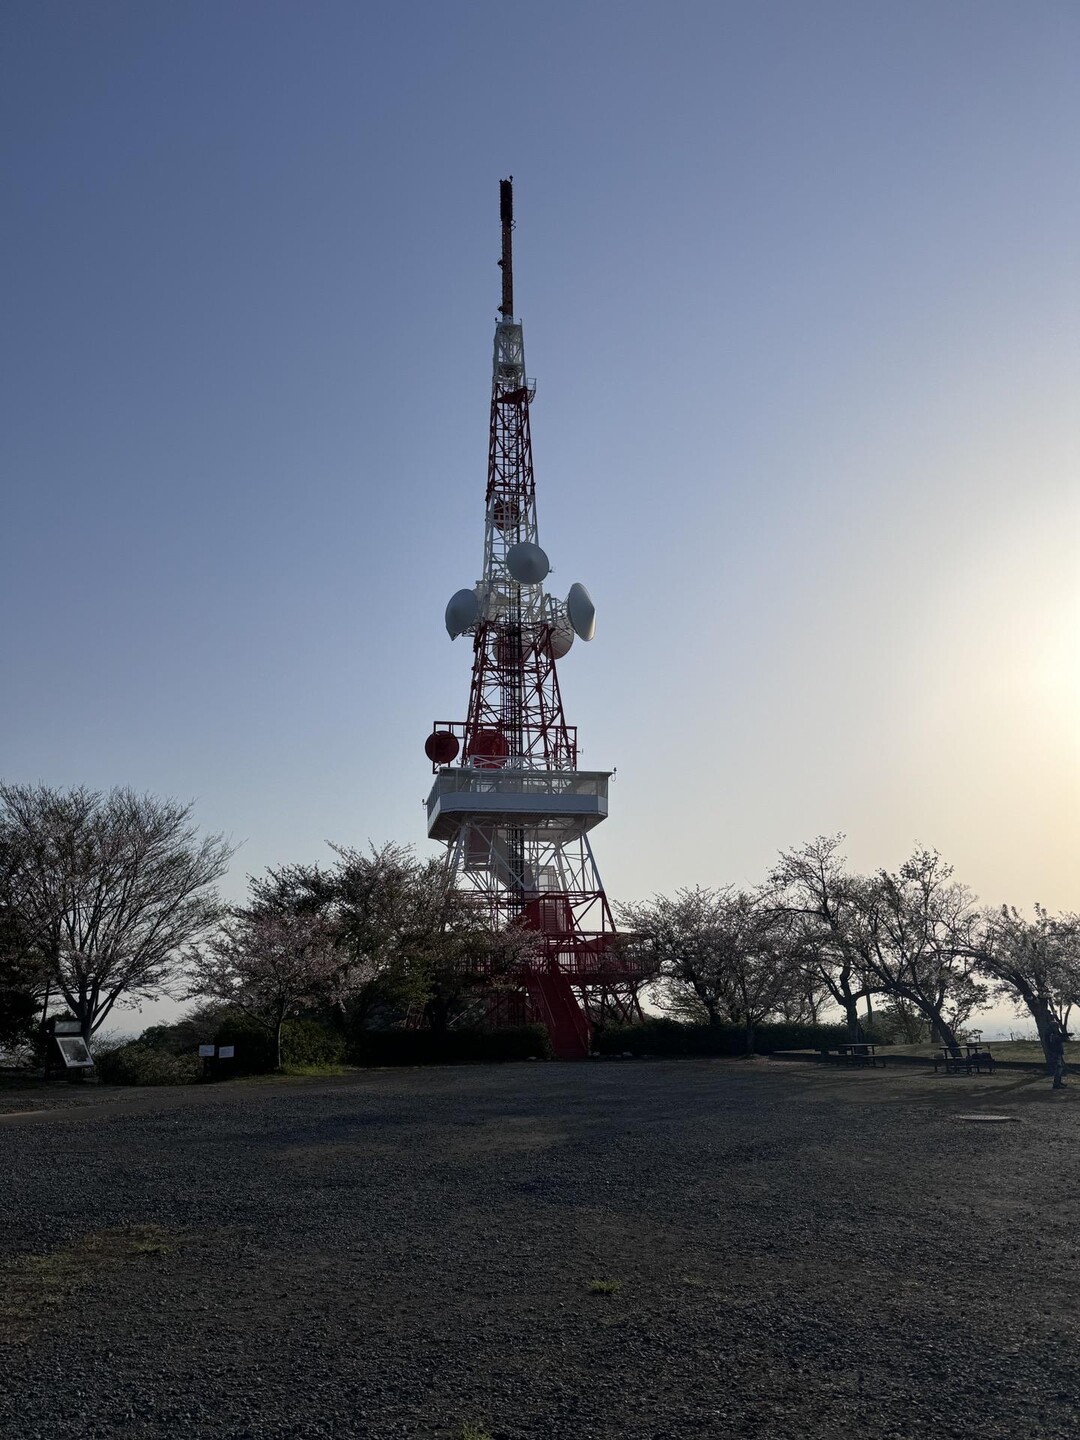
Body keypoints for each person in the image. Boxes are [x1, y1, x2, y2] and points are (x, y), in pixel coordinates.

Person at [1044, 1019, 1068, 1090]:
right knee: (1058, 1068)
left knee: (1059, 1068)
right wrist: (1064, 1039)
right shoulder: (1052, 1035)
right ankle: (1056, 1083)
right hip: (1055, 1053)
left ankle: (1058, 1082)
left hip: (1055, 1052)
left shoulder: (1050, 1033)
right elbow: (1057, 1040)